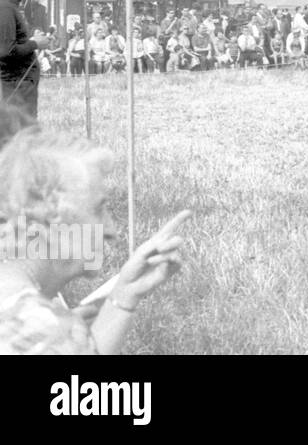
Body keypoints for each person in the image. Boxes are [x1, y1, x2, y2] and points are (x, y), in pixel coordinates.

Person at [0, 121, 188, 354]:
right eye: (98, 209)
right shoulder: (42, 330)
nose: (111, 231)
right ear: (46, 218)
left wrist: (123, 296)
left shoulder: (33, 320)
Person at [2, 0, 53, 121]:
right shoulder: (6, 9)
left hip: (20, 92)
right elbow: (6, 51)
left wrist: (32, 39)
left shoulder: (11, 7)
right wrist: (35, 44)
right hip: (14, 93)